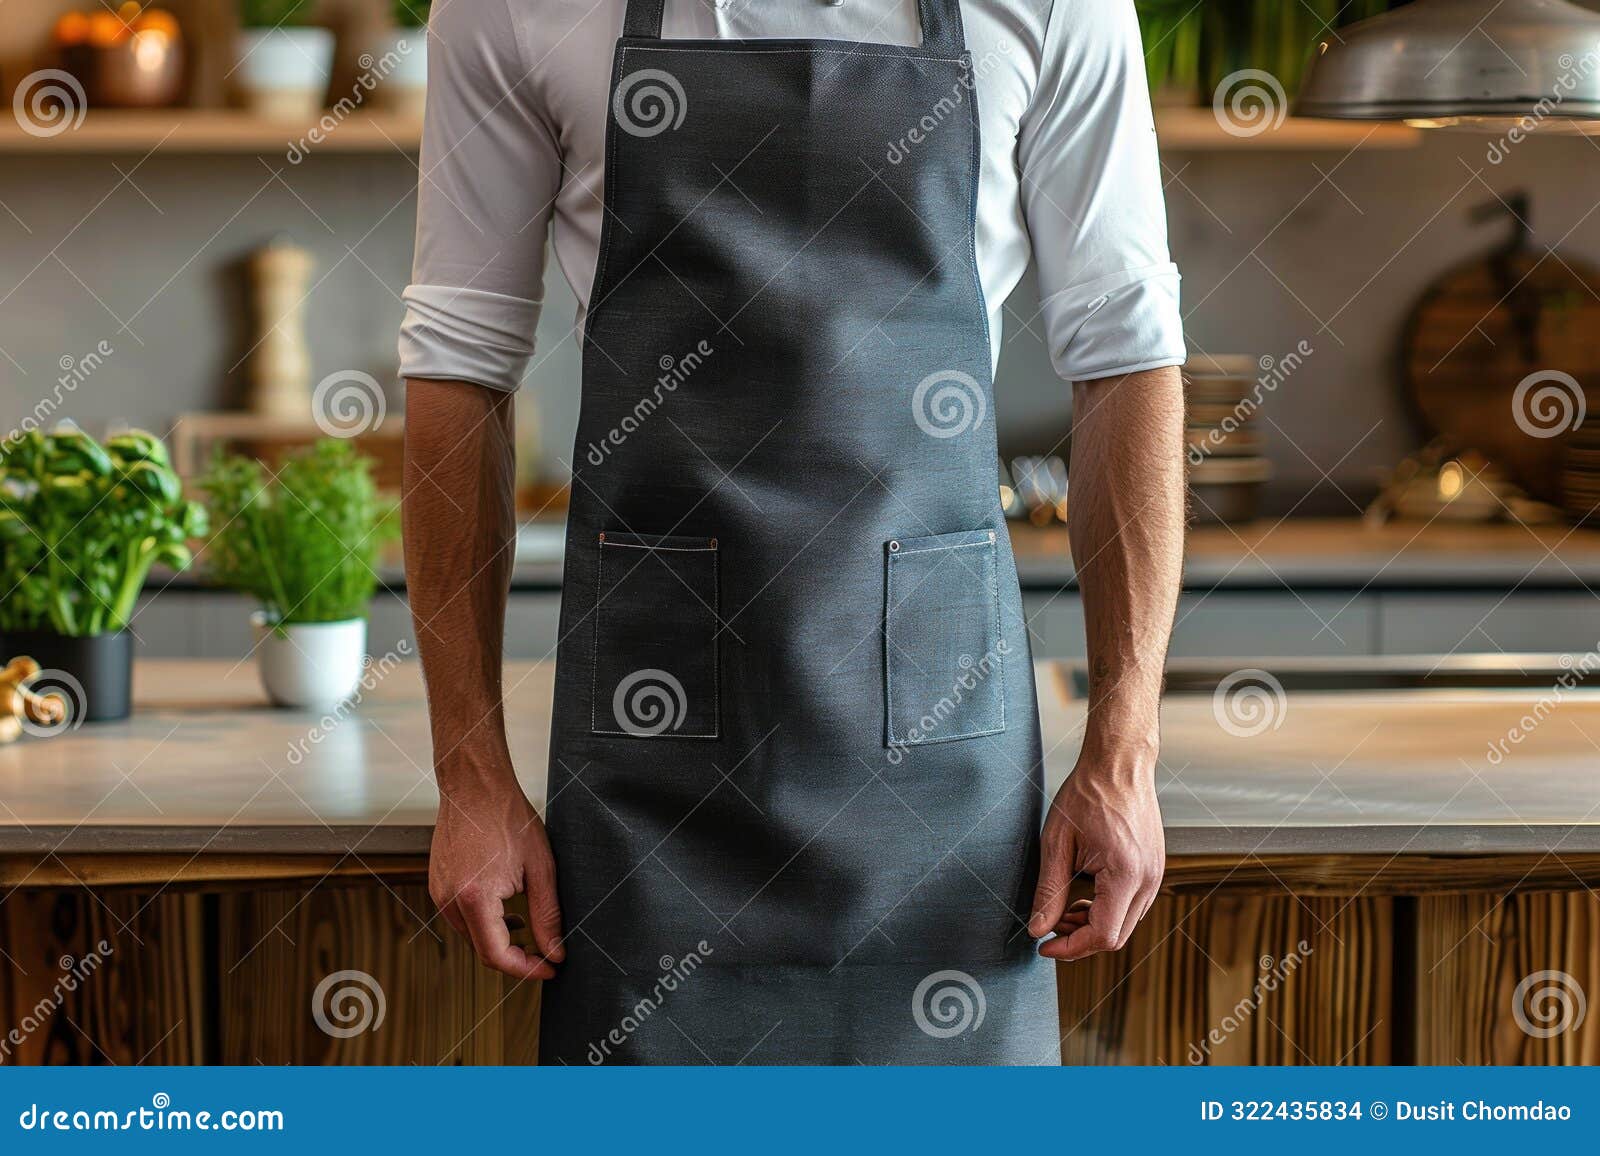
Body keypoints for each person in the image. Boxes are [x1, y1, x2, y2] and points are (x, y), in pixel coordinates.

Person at [399, 0, 1184, 1064]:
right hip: (655, 767)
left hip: (940, 767)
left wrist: (1124, 750)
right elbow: (458, 367)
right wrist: (470, 775)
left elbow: (1128, 355)